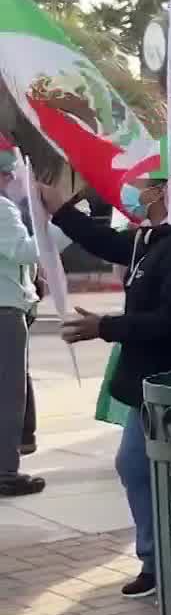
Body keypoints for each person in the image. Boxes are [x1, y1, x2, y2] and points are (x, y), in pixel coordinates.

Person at [45, 165, 171, 597]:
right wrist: (61, 211)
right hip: (150, 384)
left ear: (163, 192)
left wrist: (106, 326)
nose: (133, 191)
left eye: (142, 185)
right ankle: (156, 560)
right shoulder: (152, 239)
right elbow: (109, 242)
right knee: (135, 466)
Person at [0, 151, 41, 498]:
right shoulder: (1, 208)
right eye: (6, 174)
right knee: (9, 397)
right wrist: (60, 228)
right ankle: (5, 472)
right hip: (5, 310)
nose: (10, 180)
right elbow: (25, 251)